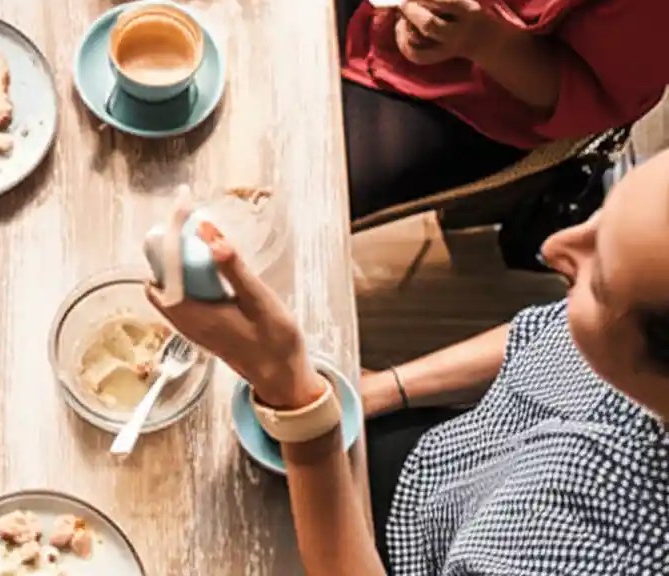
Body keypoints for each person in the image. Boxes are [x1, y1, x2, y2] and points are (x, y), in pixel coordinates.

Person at [147, 147, 669, 574]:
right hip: (444, 464)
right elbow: (545, 335)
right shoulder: (636, 314)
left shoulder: (604, 552)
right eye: (605, 211)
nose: (555, 245)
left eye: (598, 282)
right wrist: (390, 388)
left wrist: (293, 395)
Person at [167, 0, 669, 221]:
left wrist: (485, 43)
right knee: (208, 16)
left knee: (280, 195)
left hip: (482, 91)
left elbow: (595, 90)